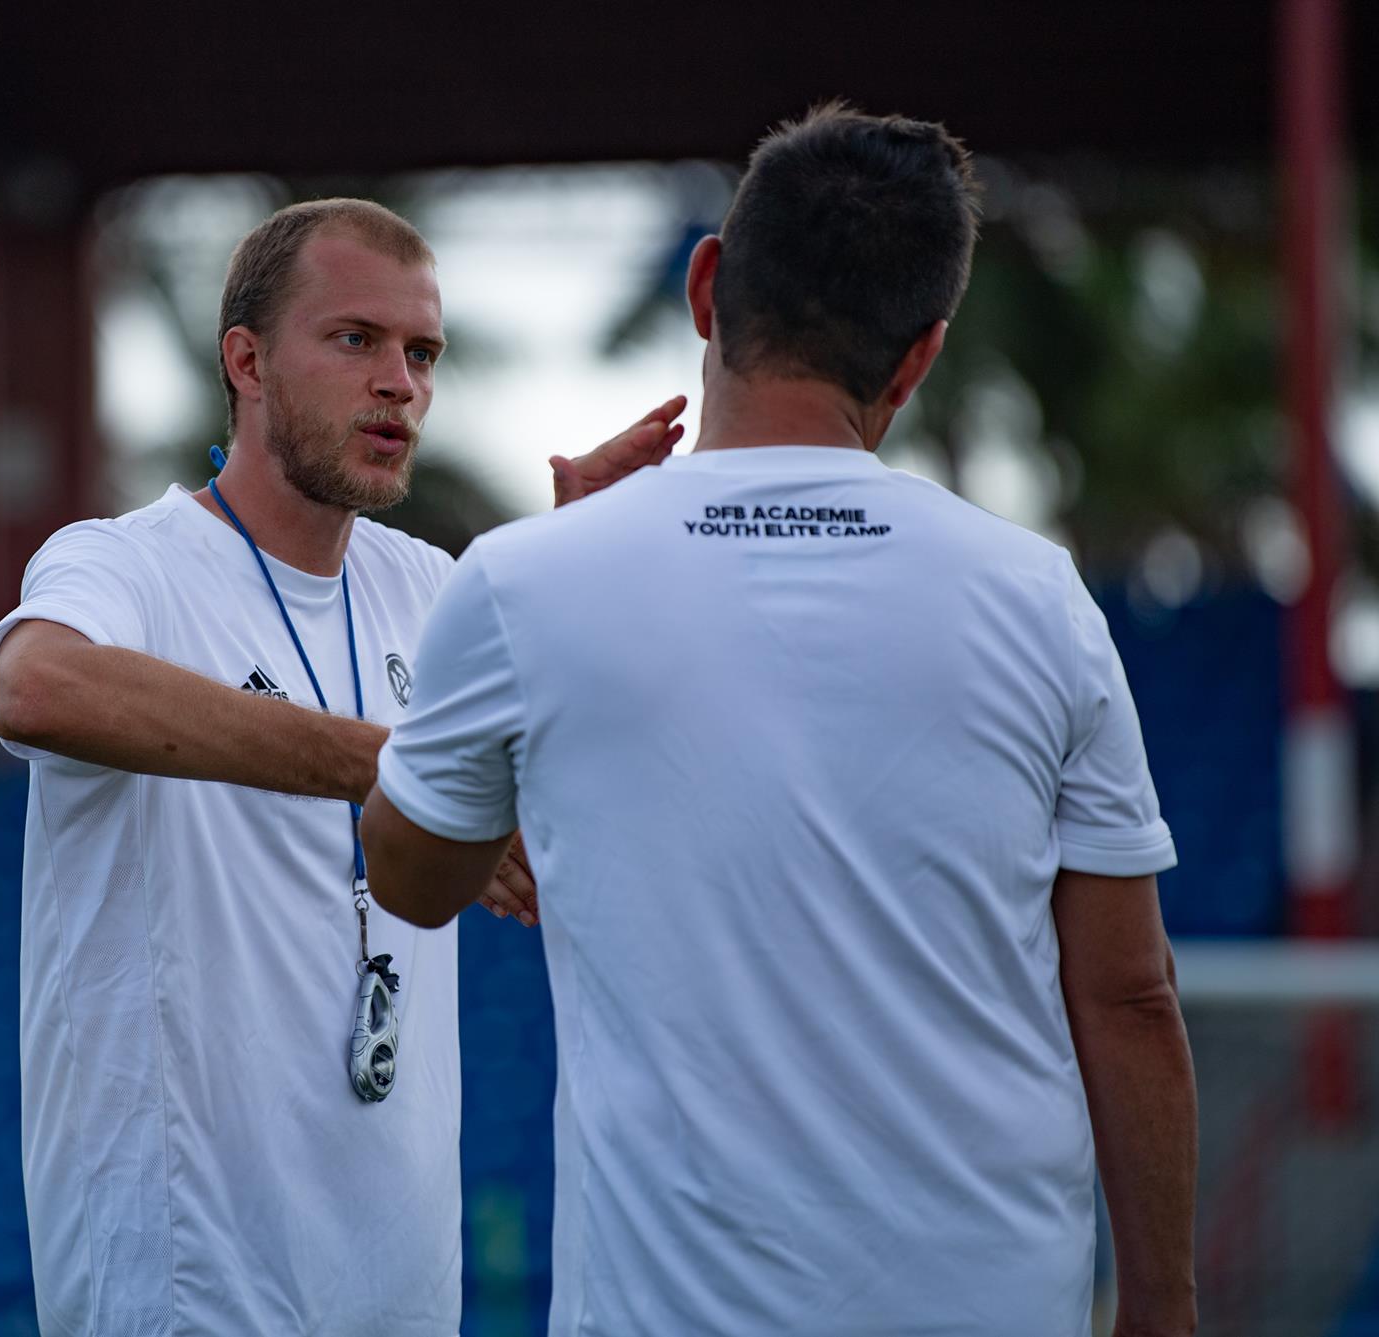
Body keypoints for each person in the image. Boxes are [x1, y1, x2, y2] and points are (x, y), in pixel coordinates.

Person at [363, 106, 1198, 1337]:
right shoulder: (1039, 598)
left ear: (707, 285)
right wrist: (1163, 1308)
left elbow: (412, 875)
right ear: (917, 356)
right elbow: (1125, 995)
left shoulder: (524, 583)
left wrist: (544, 590)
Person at [0, 197, 682, 1335]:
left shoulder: (432, 589)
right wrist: (383, 764)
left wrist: (572, 570)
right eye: (354, 339)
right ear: (245, 361)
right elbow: (35, 686)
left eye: (421, 352)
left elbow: (596, 774)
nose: (398, 381)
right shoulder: (125, 564)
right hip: (185, 1293)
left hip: (401, 1289)